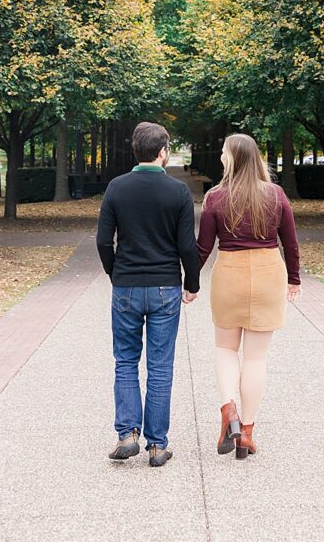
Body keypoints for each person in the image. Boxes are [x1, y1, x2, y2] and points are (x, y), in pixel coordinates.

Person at [95, 121, 200, 466]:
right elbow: (187, 246)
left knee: (125, 360)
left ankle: (127, 434)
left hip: (126, 284)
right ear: (163, 152)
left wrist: (115, 273)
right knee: (160, 365)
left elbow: (103, 241)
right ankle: (157, 445)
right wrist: (192, 283)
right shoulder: (177, 192)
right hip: (165, 286)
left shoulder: (116, 187)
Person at [197, 132, 301, 459]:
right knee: (256, 358)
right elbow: (290, 242)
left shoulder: (215, 197)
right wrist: (294, 279)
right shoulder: (275, 194)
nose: (221, 157)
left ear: (233, 158)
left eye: (224, 152)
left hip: (229, 273)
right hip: (269, 272)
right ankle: (247, 432)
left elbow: (203, 248)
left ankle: (229, 410)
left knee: (225, 349)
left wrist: (188, 281)